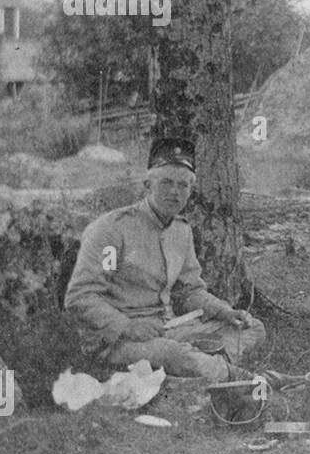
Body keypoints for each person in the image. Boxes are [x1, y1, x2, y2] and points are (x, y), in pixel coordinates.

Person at [64, 136, 266, 383]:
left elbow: (189, 291)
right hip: (120, 339)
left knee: (252, 327)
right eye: (166, 182)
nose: (174, 192)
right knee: (172, 353)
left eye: (183, 185)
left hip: (169, 329)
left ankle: (202, 367)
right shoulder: (113, 230)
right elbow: (82, 296)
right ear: (147, 184)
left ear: (191, 190)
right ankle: (237, 378)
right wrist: (126, 325)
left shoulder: (181, 231)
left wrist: (223, 311)